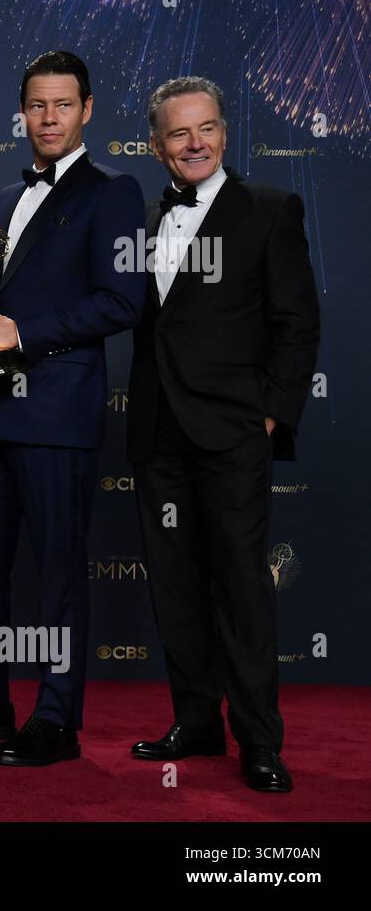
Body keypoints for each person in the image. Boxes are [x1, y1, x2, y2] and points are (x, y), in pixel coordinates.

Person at [0, 50, 145, 766]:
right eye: (36, 106)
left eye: (62, 105)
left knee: (57, 572)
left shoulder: (116, 192)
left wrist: (22, 331)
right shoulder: (6, 202)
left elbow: (121, 301)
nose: (48, 118)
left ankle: (56, 717)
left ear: (88, 110)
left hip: (54, 414)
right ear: (22, 112)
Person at [127, 76, 320, 792]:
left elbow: (297, 325)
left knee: (242, 588)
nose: (196, 143)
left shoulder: (269, 210)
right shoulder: (144, 221)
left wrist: (270, 414)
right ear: (157, 146)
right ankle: (197, 721)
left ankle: (260, 741)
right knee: (175, 585)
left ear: (225, 134)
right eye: (180, 133)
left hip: (232, 432)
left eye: (206, 128)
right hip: (158, 432)